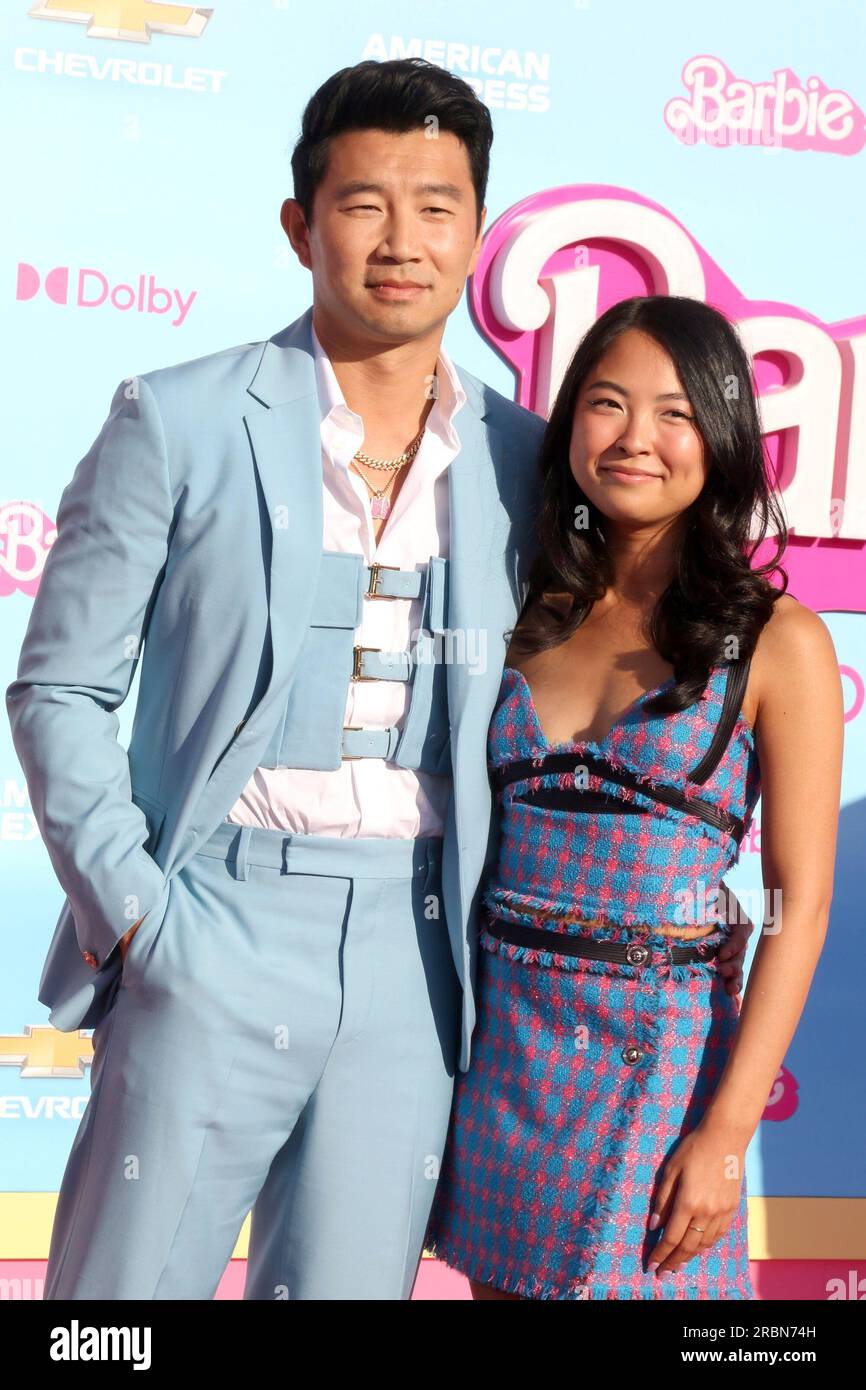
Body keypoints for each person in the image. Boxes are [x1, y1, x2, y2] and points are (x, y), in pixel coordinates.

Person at [7, 59, 751, 1301]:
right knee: (116, 1310)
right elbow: (58, 691)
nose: (400, 239)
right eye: (363, 203)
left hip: (422, 950)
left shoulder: (528, 456)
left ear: (474, 231)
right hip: (212, 917)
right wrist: (139, 915)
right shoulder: (177, 419)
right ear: (301, 224)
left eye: (436, 205)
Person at [424, 294, 843, 1300]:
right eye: (605, 405)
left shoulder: (777, 642)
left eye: (673, 413)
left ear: (722, 436)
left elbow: (798, 902)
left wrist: (726, 1131)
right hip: (498, 1059)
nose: (634, 439)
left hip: (655, 1071)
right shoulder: (517, 608)